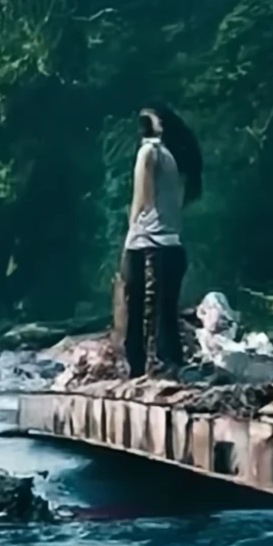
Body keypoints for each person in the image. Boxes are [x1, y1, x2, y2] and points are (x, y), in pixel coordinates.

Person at [120, 105, 203, 378]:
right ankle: (170, 368)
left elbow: (141, 198)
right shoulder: (174, 159)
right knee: (164, 315)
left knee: (138, 312)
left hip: (147, 245)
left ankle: (138, 372)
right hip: (171, 246)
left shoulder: (149, 152)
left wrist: (131, 231)